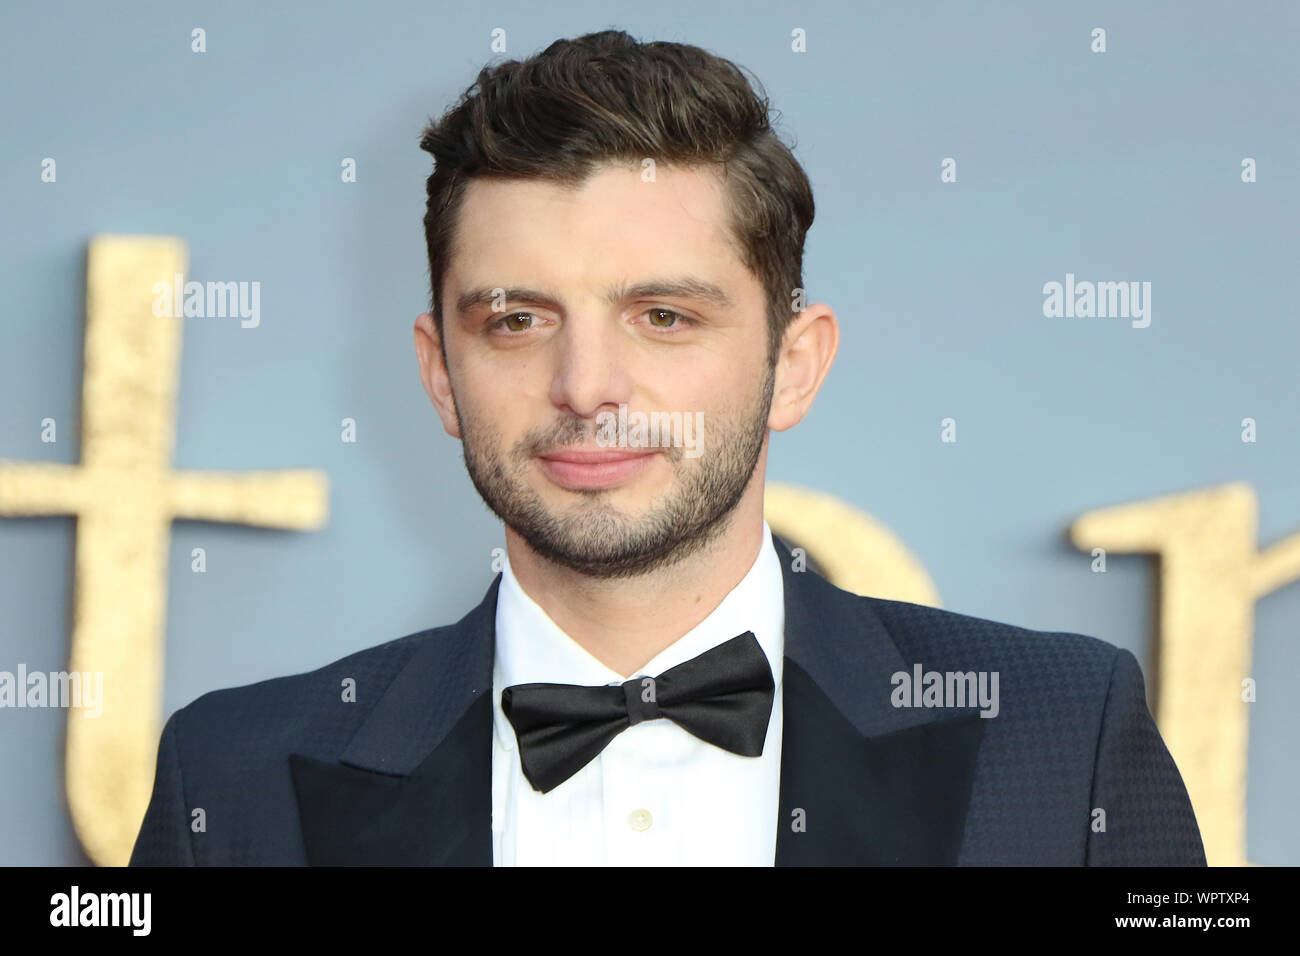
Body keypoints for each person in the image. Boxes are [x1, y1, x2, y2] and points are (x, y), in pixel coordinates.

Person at [130, 29, 1205, 866]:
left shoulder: (1062, 734)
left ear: (793, 362)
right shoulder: (233, 772)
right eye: (516, 319)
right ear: (436, 370)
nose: (586, 385)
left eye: (663, 315)